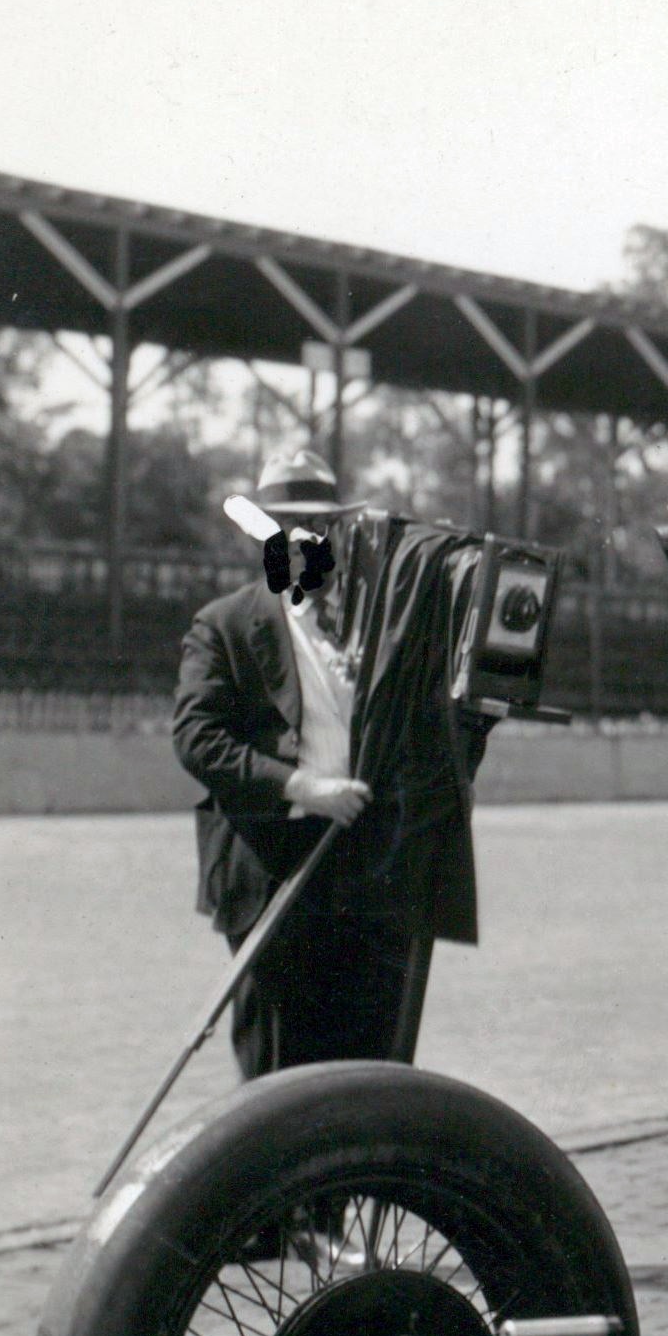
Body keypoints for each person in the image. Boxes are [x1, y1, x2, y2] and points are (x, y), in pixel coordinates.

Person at [172, 449, 470, 1075]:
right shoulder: (224, 625)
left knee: (366, 1068)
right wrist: (299, 786)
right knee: (281, 1075)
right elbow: (197, 737)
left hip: (364, 867)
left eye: (318, 524)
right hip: (274, 868)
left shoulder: (375, 628)